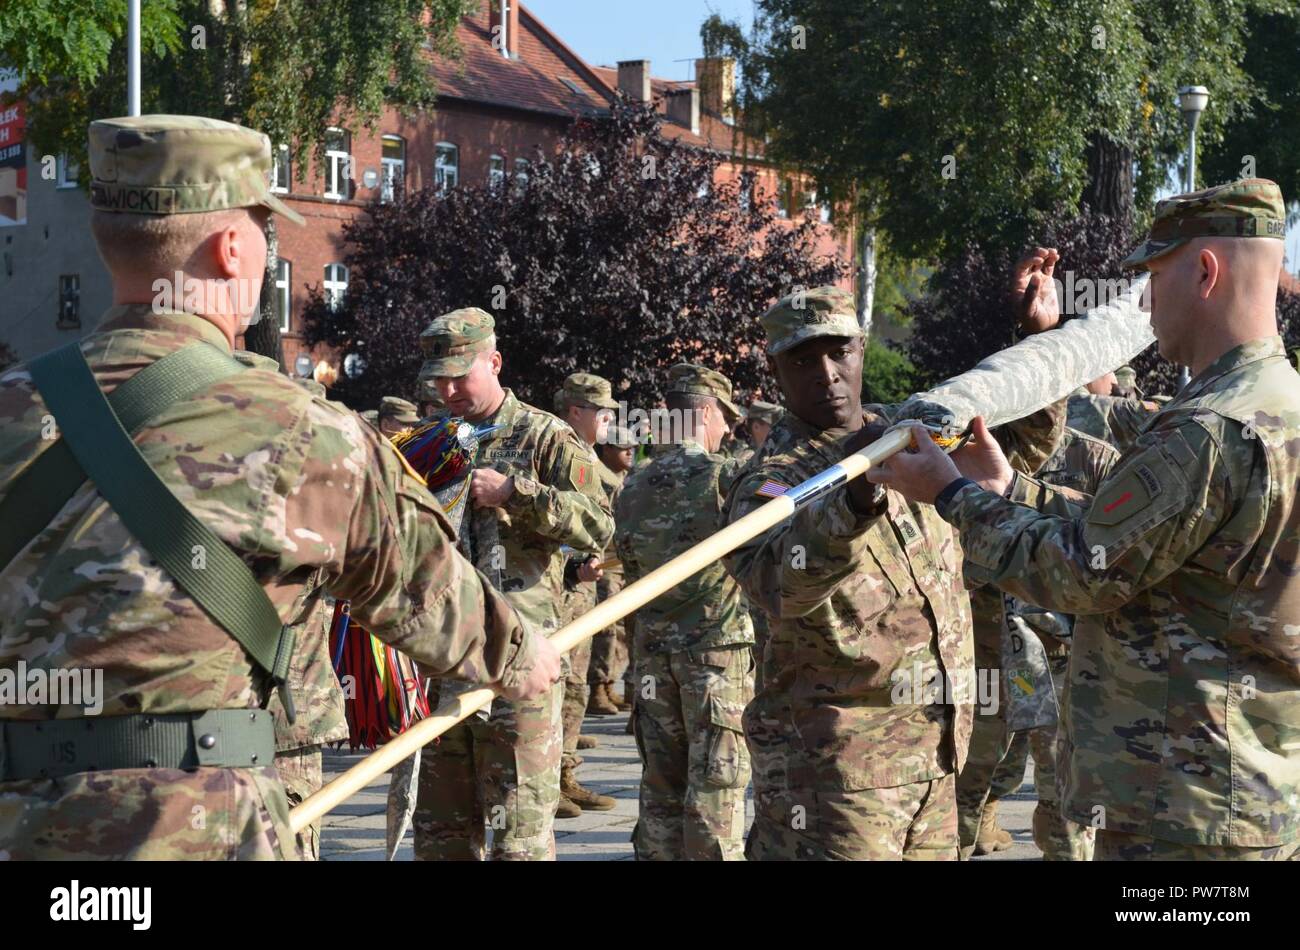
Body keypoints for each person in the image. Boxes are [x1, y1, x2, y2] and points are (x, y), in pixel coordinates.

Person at [0, 115, 559, 860]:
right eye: (266, 231)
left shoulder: (11, 408)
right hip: (200, 825)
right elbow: (432, 599)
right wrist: (523, 657)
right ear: (233, 249)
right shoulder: (306, 431)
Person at [869, 179, 1300, 861]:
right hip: (1250, 793)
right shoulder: (1281, 405)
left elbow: (1080, 572)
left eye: (1152, 279)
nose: (1144, 305)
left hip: (1181, 812)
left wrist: (952, 496)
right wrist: (1013, 488)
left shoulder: (1207, 431)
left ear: (1206, 272)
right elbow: (1159, 548)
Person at [721, 285, 1062, 860]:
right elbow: (779, 586)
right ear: (774, 370)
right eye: (803, 360)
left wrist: (1038, 337)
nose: (826, 374)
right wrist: (852, 497)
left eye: (839, 353)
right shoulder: (770, 483)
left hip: (938, 760)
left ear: (861, 349)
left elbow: (1016, 455)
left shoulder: (910, 438)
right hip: (835, 785)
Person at [413, 309, 613, 860]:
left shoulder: (546, 435)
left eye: (461, 374)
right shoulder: (429, 444)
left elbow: (599, 524)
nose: (449, 389)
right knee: (439, 836)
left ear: (494, 362)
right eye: (439, 379)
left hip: (519, 660)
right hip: (444, 660)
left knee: (519, 837)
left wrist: (515, 495)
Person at [616, 364, 754, 860]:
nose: (729, 431)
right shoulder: (727, 476)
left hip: (652, 655)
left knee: (661, 782)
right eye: (726, 419)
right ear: (706, 413)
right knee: (717, 782)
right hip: (715, 653)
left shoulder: (632, 485)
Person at [552, 373, 621, 814]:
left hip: (585, 586)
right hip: (558, 587)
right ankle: (545, 782)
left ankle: (564, 774)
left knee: (575, 685)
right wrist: (570, 565)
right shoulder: (557, 452)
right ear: (575, 411)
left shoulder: (593, 460)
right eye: (601, 411)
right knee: (554, 685)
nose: (609, 418)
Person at [588, 425, 639, 716]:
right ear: (606, 449)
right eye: (623, 447)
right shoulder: (603, 478)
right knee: (605, 629)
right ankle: (598, 687)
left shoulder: (628, 478)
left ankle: (609, 684)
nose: (630, 452)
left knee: (620, 630)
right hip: (605, 560)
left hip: (623, 561)